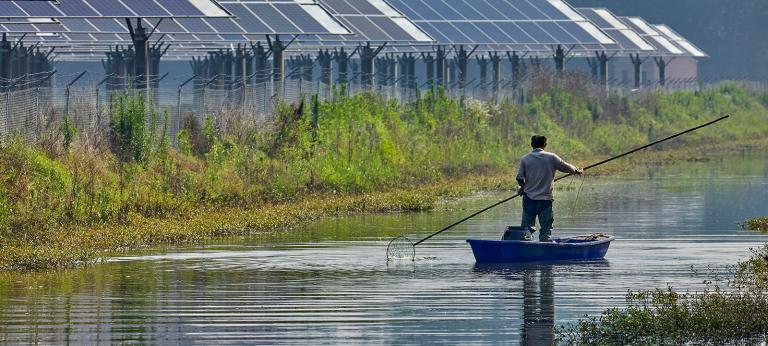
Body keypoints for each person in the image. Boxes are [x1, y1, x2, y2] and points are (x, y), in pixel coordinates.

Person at [516, 135, 583, 242]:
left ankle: (525, 248)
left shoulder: (525, 159)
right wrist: (577, 170)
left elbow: (519, 178)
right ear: (545, 145)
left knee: (526, 230)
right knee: (546, 232)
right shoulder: (552, 157)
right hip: (545, 201)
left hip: (529, 200)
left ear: (532, 144)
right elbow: (567, 168)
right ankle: (544, 247)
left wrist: (522, 187)